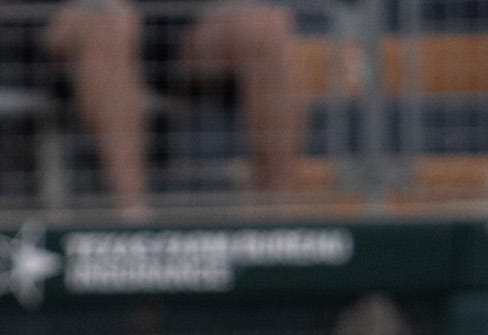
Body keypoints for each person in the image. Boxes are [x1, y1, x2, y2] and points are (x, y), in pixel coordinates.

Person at [37, 0, 306, 221]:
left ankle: (275, 219)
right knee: (108, 23)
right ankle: (133, 219)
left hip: (171, 25)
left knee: (267, 25)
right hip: (61, 24)